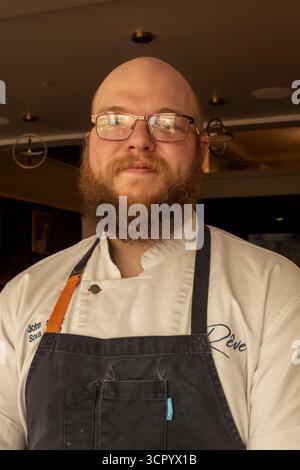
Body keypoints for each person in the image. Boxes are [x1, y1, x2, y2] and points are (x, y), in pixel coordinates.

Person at [0, 57, 300, 450]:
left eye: (169, 123)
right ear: (89, 147)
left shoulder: (277, 293)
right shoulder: (22, 296)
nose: (139, 139)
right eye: (113, 121)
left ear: (202, 152)